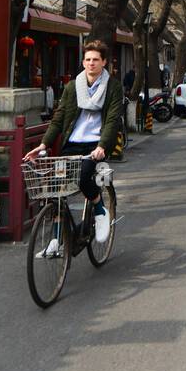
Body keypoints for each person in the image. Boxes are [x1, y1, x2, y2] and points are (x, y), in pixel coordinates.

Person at [24, 39, 123, 249]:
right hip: (72, 143)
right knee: (56, 189)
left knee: (82, 177)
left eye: (96, 59)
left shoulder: (113, 87)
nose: (91, 63)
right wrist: (43, 144)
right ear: (83, 61)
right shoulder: (73, 87)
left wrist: (102, 146)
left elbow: (113, 119)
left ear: (104, 62)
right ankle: (57, 238)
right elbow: (59, 118)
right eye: (87, 59)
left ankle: (99, 209)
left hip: (95, 145)